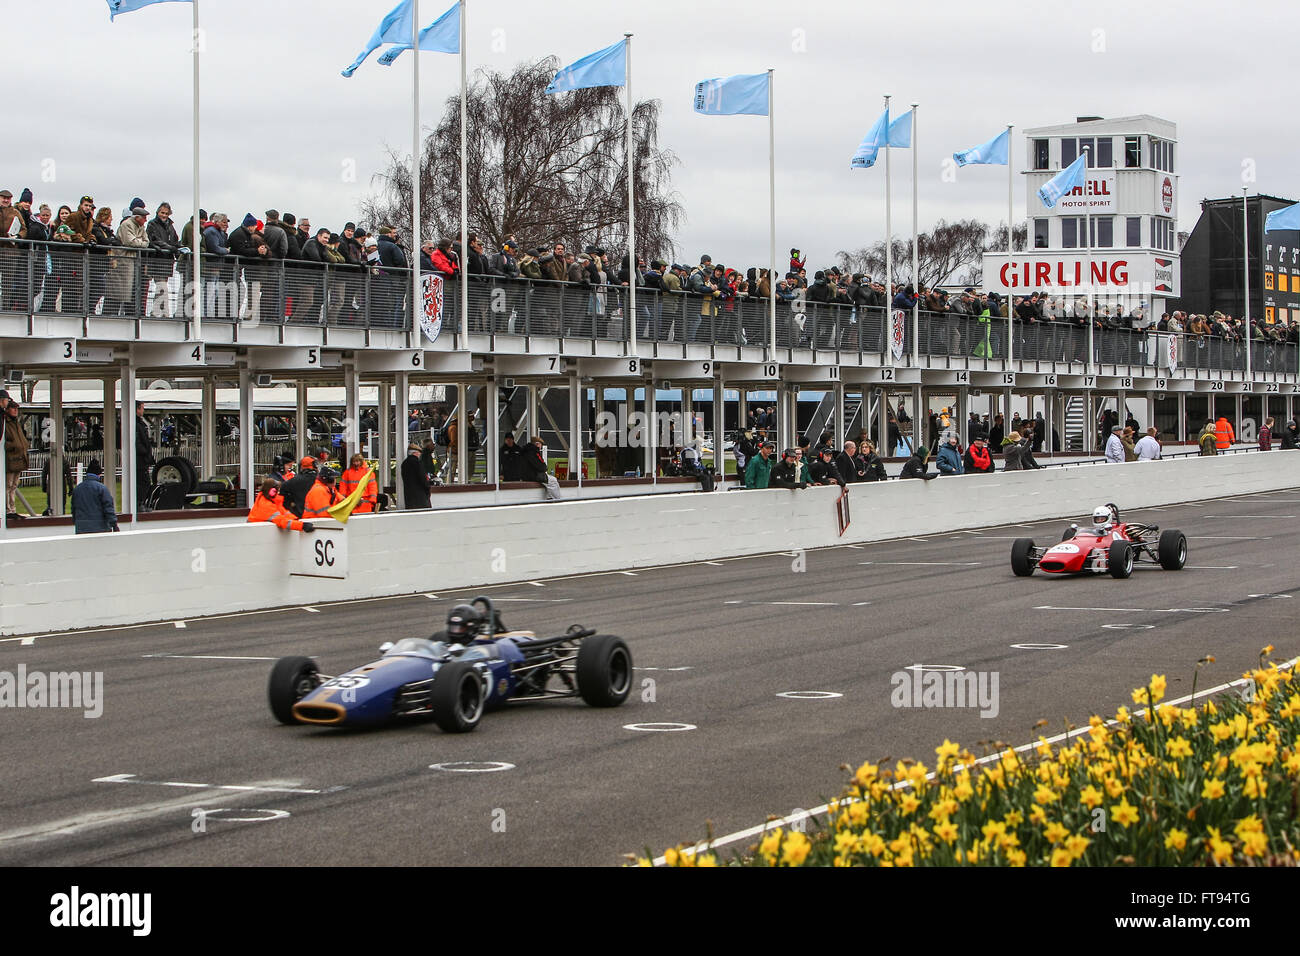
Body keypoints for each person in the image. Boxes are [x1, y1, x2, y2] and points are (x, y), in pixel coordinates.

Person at [247, 478, 314, 531]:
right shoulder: (266, 505)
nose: (279, 493)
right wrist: (301, 525)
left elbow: (285, 513)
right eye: (277, 491)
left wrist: (295, 520)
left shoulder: (272, 502)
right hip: (256, 533)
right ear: (272, 491)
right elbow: (281, 521)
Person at [71, 459, 118, 533]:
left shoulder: (77, 489)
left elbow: (74, 509)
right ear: (98, 474)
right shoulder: (102, 489)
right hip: (100, 528)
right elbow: (108, 509)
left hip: (81, 528)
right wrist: (114, 525)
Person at [4, 400, 29, 516]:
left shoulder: (16, 423)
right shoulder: (5, 423)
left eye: (16, 409)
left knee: (14, 485)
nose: (15, 411)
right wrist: (14, 445)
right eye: (13, 408)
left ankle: (12, 508)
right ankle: (7, 508)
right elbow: (5, 442)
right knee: (8, 485)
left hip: (19, 458)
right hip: (10, 459)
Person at [522, 435, 561, 500]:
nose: (541, 446)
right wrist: (545, 467)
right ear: (537, 444)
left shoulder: (526, 451)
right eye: (540, 444)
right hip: (534, 475)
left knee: (551, 480)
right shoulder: (534, 452)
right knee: (553, 481)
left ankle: (550, 497)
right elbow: (541, 466)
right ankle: (555, 500)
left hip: (526, 475)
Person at [135, 401, 155, 510]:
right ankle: (139, 503)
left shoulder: (140, 423)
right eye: (142, 408)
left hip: (141, 459)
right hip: (140, 460)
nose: (143, 410)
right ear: (137, 409)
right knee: (144, 481)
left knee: (143, 481)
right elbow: (137, 442)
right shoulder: (136, 424)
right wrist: (145, 451)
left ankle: (141, 502)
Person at [401, 442, 432, 509]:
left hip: (409, 497)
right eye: (419, 452)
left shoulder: (404, 463)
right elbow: (423, 478)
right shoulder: (417, 463)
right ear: (415, 453)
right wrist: (428, 487)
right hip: (420, 498)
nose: (420, 454)